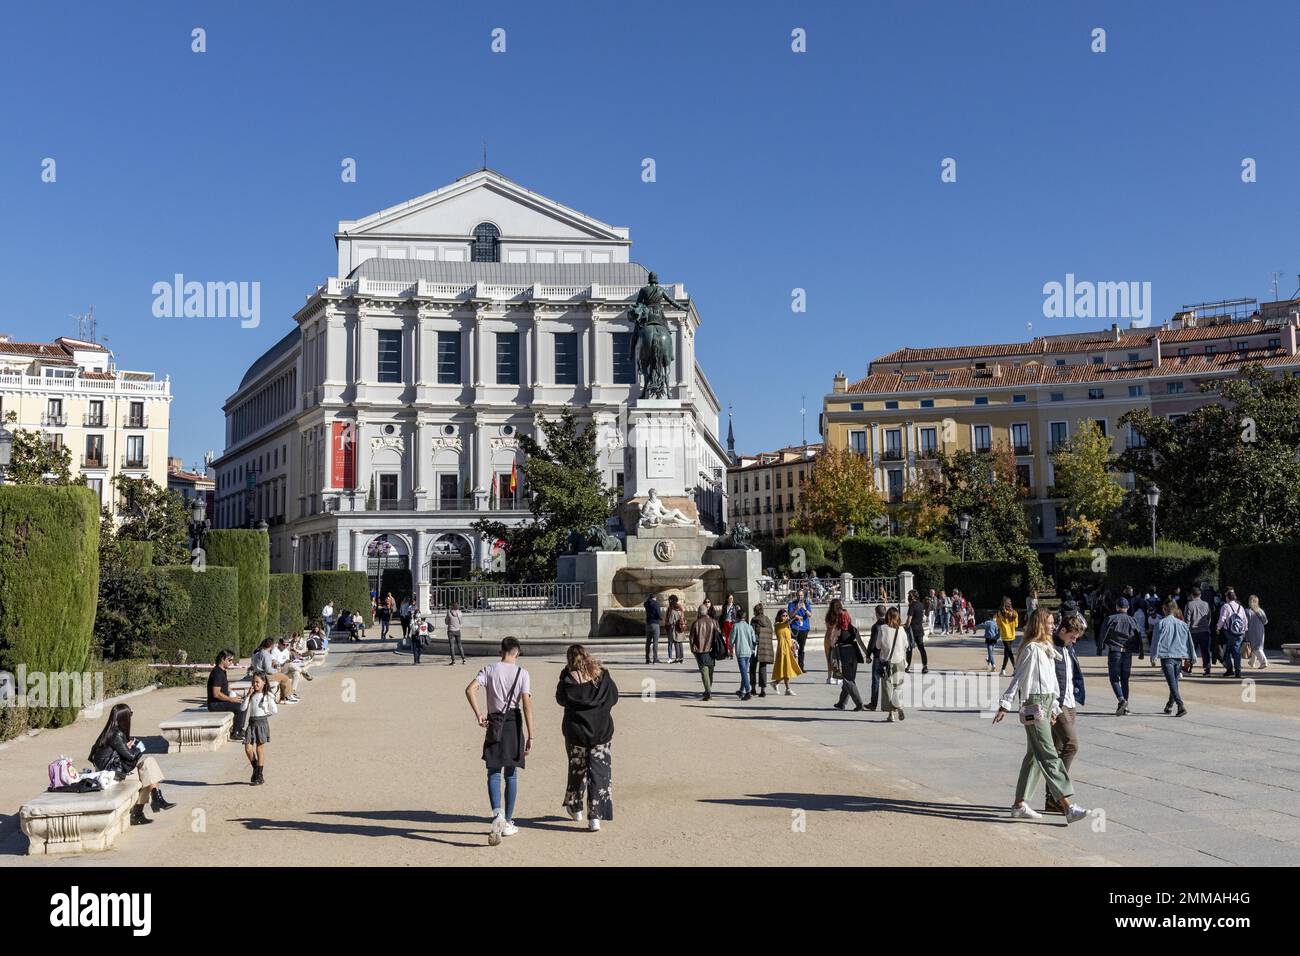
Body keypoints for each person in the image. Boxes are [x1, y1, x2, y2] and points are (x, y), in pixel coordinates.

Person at [993, 610, 1093, 823]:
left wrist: (1055, 709)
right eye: (1048, 623)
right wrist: (1005, 703)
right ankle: (1067, 806)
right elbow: (1018, 677)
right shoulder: (1031, 649)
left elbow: (1052, 683)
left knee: (1034, 756)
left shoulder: (1047, 648)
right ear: (1039, 625)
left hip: (1047, 704)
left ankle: (1019, 804)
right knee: (1048, 753)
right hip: (1035, 705)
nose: (1052, 626)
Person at [466, 637, 535, 846]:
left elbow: (470, 690)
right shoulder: (523, 673)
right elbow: (527, 705)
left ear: (500, 651)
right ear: (518, 653)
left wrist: (479, 715)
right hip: (513, 722)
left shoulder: (489, 669)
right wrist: (531, 735)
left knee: (493, 771)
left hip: (494, 720)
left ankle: (497, 814)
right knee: (511, 774)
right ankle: (508, 821)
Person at [556, 645, 618, 832]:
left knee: (577, 771)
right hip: (601, 731)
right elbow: (614, 698)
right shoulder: (603, 676)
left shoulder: (567, 680)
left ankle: (575, 809)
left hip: (577, 733)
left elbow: (560, 700)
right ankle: (595, 817)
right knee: (599, 774)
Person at [90, 703, 174, 825]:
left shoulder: (110, 731)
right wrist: (138, 748)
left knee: (149, 764)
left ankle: (154, 799)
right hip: (114, 775)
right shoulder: (116, 734)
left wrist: (127, 747)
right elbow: (131, 757)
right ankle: (146, 806)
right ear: (124, 717)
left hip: (112, 770)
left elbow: (117, 752)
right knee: (147, 775)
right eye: (130, 714)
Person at [1046, 612, 1087, 813]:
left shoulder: (1068, 648)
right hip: (1057, 704)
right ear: (1062, 631)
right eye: (1072, 637)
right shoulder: (1051, 649)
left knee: (1059, 749)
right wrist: (1053, 706)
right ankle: (1059, 794)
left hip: (1070, 704)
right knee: (1072, 745)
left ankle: (1052, 799)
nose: (1074, 641)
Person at [1100, 597, 1144, 715]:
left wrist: (1100, 647)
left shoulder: (1110, 619)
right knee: (1125, 680)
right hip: (1127, 653)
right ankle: (1126, 707)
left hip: (1115, 651)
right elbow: (1138, 636)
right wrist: (1141, 652)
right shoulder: (1132, 620)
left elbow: (1102, 633)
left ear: (1116, 607)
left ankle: (1121, 699)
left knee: (1114, 679)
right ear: (1128, 608)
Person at [1151, 600, 1195, 717]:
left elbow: (1156, 642)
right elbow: (1189, 642)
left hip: (1166, 657)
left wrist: (1153, 657)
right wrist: (1190, 656)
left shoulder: (1160, 624)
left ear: (1165, 609)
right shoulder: (1183, 624)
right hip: (1178, 657)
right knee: (1174, 682)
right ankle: (1169, 705)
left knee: (1172, 683)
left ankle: (1180, 705)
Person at [241, 671, 278, 785]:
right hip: (251, 723)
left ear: (264, 683)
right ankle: (256, 769)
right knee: (248, 747)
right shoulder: (251, 695)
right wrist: (248, 695)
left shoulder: (267, 696)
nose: (255, 684)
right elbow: (243, 708)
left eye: (257, 682)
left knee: (259, 748)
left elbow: (274, 710)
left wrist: (266, 710)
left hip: (261, 722)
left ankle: (259, 775)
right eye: (253, 682)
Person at [874, 607, 908, 722]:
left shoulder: (883, 628)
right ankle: (900, 706)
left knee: (887, 688)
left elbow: (878, 646)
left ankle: (891, 714)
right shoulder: (901, 630)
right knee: (898, 686)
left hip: (886, 662)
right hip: (900, 661)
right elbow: (906, 645)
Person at [207, 648, 249, 741]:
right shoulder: (217, 673)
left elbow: (224, 688)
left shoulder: (222, 671)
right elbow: (216, 694)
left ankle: (240, 729)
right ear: (222, 659)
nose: (231, 662)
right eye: (229, 660)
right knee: (239, 706)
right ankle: (235, 732)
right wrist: (231, 699)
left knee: (244, 701)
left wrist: (235, 696)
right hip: (215, 704)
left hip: (220, 702)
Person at [832, 611, 868, 712]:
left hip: (844, 655)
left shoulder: (838, 629)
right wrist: (867, 655)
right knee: (849, 679)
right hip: (854, 655)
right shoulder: (854, 629)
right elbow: (860, 643)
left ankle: (859, 704)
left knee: (848, 681)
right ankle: (841, 703)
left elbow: (831, 643)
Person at [689, 601, 721, 701]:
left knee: (704, 671)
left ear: (699, 612)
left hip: (700, 650)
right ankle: (708, 689)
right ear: (706, 611)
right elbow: (719, 634)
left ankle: (708, 691)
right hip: (711, 650)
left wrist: (692, 649)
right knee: (710, 671)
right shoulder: (713, 622)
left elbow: (691, 638)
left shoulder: (696, 623)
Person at [251, 638, 298, 703]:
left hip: (257, 674)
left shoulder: (258, 652)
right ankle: (287, 697)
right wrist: (276, 670)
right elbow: (268, 670)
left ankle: (284, 696)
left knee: (281, 676)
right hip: (264, 676)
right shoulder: (266, 654)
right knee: (285, 678)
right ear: (271, 646)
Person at [770, 608, 803, 695]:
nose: (785, 617)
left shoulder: (787, 626)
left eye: (786, 615)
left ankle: (776, 683)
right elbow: (784, 623)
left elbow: (788, 637)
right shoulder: (777, 624)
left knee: (787, 669)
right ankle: (787, 689)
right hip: (782, 649)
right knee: (786, 669)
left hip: (788, 648)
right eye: (783, 616)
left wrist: (793, 646)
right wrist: (794, 616)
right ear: (779, 616)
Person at [1217, 588, 1248, 678]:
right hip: (1240, 632)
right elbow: (1245, 619)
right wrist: (1245, 630)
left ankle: (1230, 669)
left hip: (1229, 632)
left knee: (1228, 651)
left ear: (1227, 597)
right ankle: (1237, 671)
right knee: (1236, 651)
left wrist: (1218, 628)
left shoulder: (1225, 606)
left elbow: (1222, 618)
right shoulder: (1240, 607)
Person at [1184, 587, 1212, 676]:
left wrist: (1186, 631)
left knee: (1191, 651)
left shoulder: (1189, 604)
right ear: (1200, 595)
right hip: (1204, 631)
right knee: (1205, 651)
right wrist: (1206, 626)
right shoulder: (1206, 604)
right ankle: (1207, 670)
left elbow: (1187, 619)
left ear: (1192, 595)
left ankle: (1189, 668)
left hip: (1193, 631)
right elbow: (1209, 617)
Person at [730, 607, 757, 700]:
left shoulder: (735, 626)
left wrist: (730, 649)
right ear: (745, 617)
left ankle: (748, 691)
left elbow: (731, 640)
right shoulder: (749, 627)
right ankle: (741, 690)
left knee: (744, 672)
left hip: (741, 652)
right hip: (748, 652)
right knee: (744, 671)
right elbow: (754, 640)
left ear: (737, 617)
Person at [823, 598, 850, 685]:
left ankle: (829, 677)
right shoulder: (841, 615)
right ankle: (837, 677)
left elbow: (828, 626)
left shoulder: (828, 615)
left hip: (827, 637)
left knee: (829, 658)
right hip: (836, 637)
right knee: (837, 658)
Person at [864, 604, 887, 709]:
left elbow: (872, 643)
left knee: (876, 680)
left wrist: (868, 655)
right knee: (888, 680)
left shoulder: (876, 626)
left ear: (876, 614)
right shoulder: (889, 625)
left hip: (878, 656)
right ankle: (889, 703)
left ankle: (873, 703)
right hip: (888, 655)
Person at [750, 603, 774, 698]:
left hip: (756, 647)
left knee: (752, 667)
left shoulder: (754, 620)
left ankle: (753, 688)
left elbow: (751, 633)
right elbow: (771, 632)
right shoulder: (767, 620)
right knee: (762, 668)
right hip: (765, 647)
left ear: (755, 611)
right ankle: (763, 690)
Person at [905, 590, 929, 674]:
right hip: (920, 629)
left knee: (909, 649)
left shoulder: (912, 606)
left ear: (912, 596)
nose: (908, 597)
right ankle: (925, 666)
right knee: (921, 648)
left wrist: (905, 627)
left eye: (909, 595)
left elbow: (909, 620)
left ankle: (907, 666)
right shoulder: (921, 605)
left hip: (912, 630)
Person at [787, 589, 811, 669]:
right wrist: (796, 608)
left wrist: (804, 608)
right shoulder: (792, 604)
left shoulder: (807, 604)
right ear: (796, 596)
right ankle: (792, 667)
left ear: (803, 596)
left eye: (801, 595)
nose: (800, 597)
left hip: (804, 628)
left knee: (801, 648)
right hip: (794, 628)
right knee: (793, 647)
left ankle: (801, 666)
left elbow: (809, 615)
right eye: (798, 595)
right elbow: (790, 615)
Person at [996, 597, 1019, 677]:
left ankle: (1015, 669)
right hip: (1012, 635)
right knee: (1008, 652)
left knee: (1008, 652)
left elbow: (998, 625)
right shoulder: (1015, 613)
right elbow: (1016, 625)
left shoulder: (999, 613)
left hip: (1005, 635)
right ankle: (1003, 669)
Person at [1245, 595, 1269, 670]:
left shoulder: (1247, 611)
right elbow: (1265, 621)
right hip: (1260, 631)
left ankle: (1264, 662)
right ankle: (1251, 662)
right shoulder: (1260, 610)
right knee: (1256, 646)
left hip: (1251, 631)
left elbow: (1245, 622)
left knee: (1256, 648)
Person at [665, 594, 686, 664]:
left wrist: (667, 624)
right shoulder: (681, 609)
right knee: (680, 643)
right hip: (681, 628)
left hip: (675, 629)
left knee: (676, 642)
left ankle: (677, 658)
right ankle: (681, 658)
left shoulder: (673, 611)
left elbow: (670, 621)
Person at [644, 593, 662, 665]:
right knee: (655, 642)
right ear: (655, 598)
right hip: (655, 624)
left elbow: (646, 604)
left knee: (648, 642)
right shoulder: (656, 604)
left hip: (648, 624)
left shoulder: (646, 604)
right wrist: (660, 617)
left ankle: (647, 659)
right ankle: (655, 658)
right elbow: (658, 613)